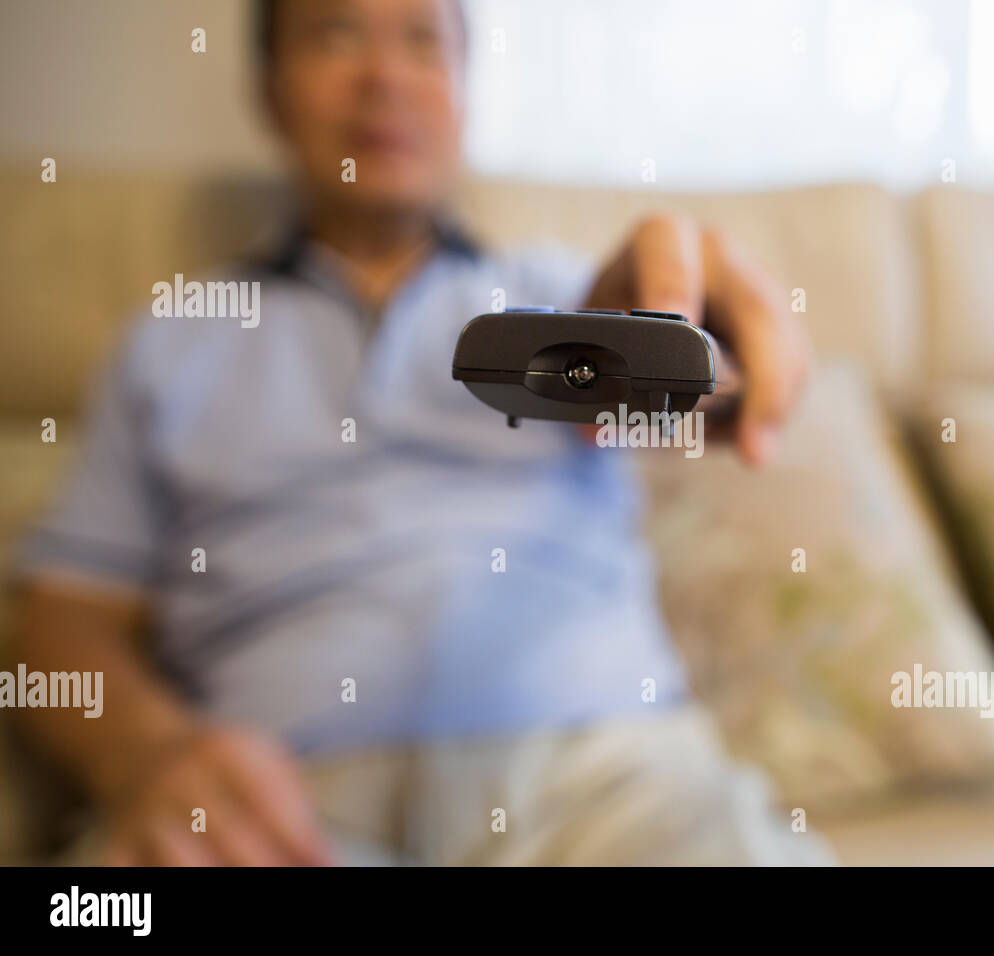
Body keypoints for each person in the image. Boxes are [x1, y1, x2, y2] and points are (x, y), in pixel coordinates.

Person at [9, 0, 829, 865]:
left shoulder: (560, 296)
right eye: (336, 34)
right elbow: (66, 618)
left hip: (607, 782)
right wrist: (148, 751)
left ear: (463, 94)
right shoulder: (171, 340)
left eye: (423, 42)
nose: (385, 77)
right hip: (280, 806)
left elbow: (713, 395)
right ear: (269, 93)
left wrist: (720, 353)